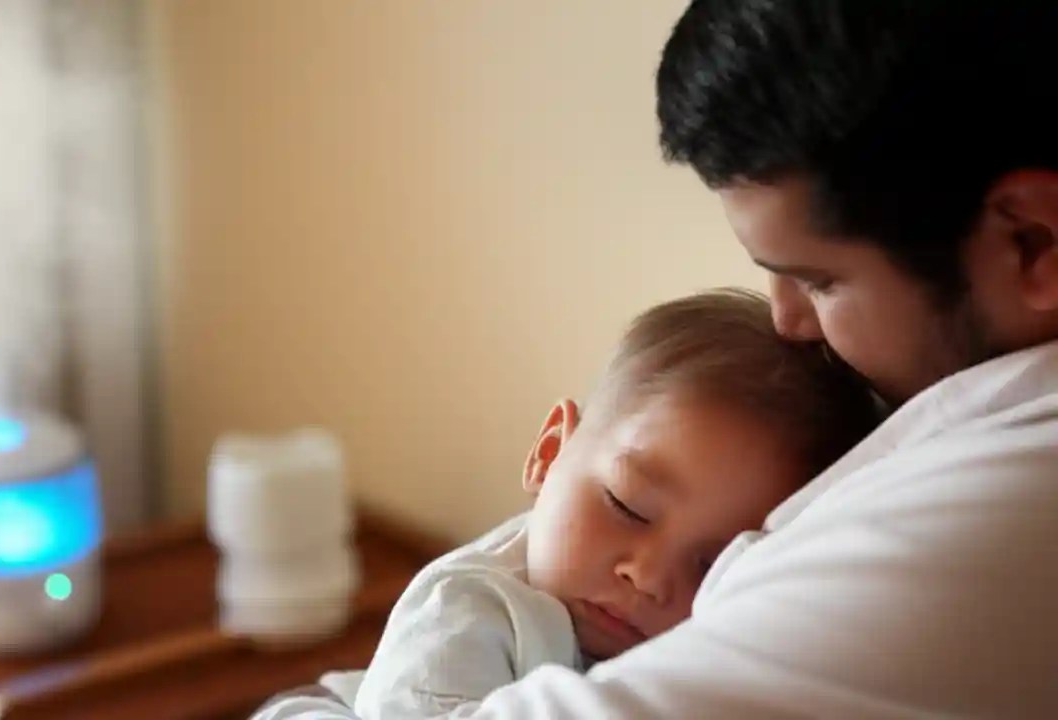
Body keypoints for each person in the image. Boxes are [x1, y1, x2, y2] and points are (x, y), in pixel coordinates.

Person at [259, 1, 1058, 716]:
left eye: (820, 281)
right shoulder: (485, 605)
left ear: (1032, 242)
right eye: (631, 507)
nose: (790, 322)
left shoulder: (1010, 509)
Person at [262, 291, 876, 720]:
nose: (647, 575)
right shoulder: (473, 612)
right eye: (628, 506)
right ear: (550, 451)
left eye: (711, 564)